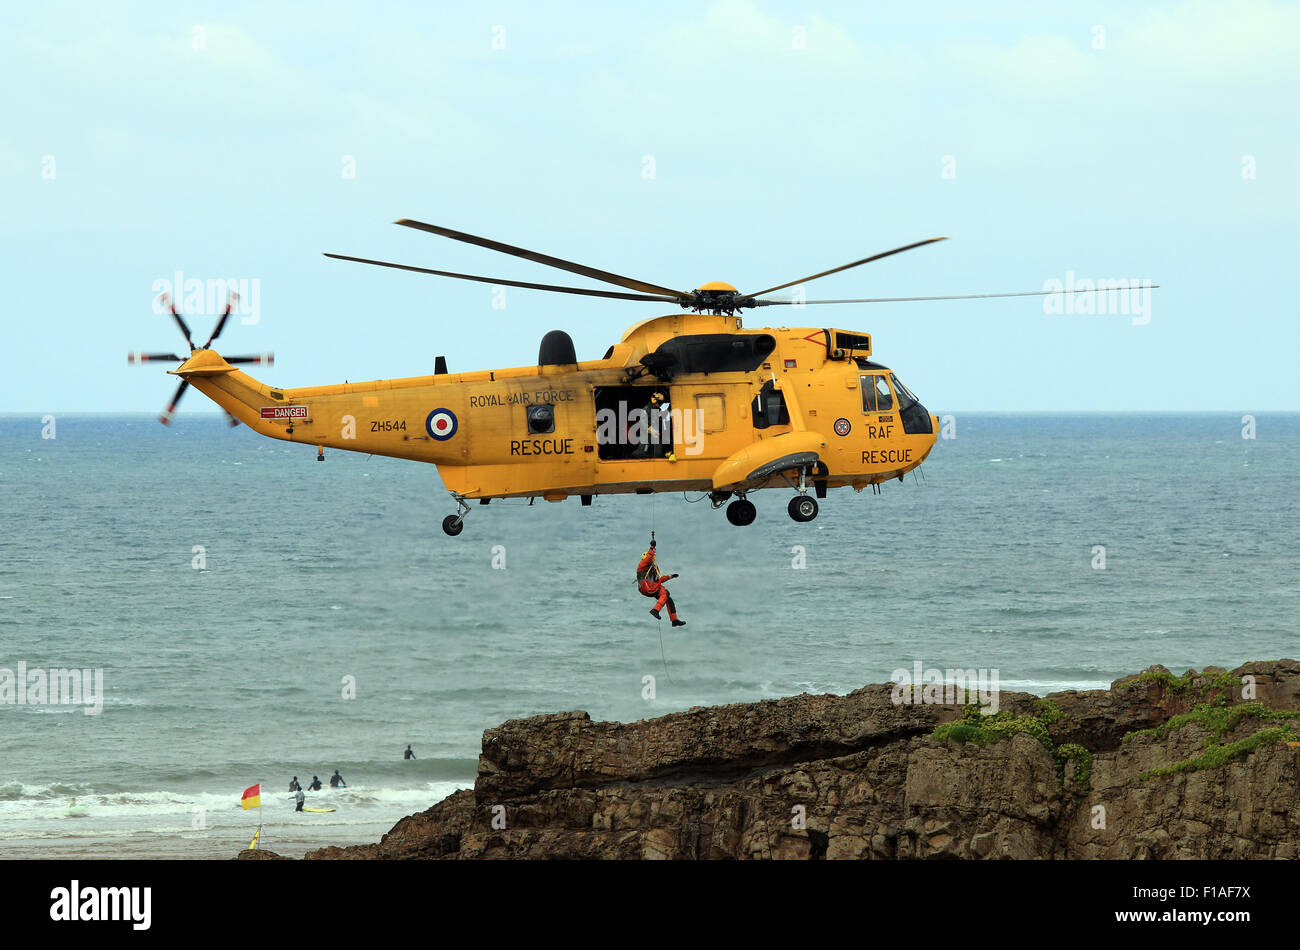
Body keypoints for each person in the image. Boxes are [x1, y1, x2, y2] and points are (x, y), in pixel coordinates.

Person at [636, 537, 686, 626]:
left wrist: (670, 576)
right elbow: (649, 557)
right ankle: (655, 610)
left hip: (651, 588)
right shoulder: (642, 565)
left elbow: (658, 580)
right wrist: (652, 547)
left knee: (668, 599)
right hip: (646, 588)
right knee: (665, 593)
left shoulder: (653, 569)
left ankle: (674, 620)